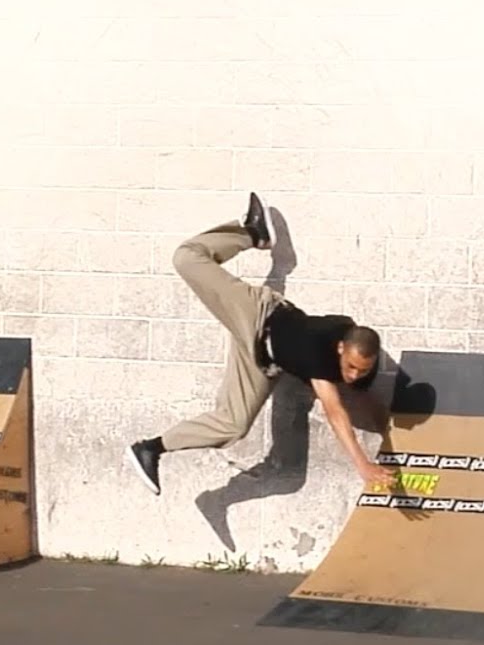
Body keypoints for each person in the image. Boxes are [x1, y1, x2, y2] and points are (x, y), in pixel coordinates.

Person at [125, 192, 396, 496]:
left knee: (233, 426)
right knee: (186, 258)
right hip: (258, 314)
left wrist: (392, 434)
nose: (354, 375)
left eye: (362, 370)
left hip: (262, 360)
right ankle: (253, 233)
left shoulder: (359, 356)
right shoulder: (319, 351)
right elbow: (335, 413)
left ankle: (150, 448)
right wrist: (362, 465)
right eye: (350, 367)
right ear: (340, 349)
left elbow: (367, 399)